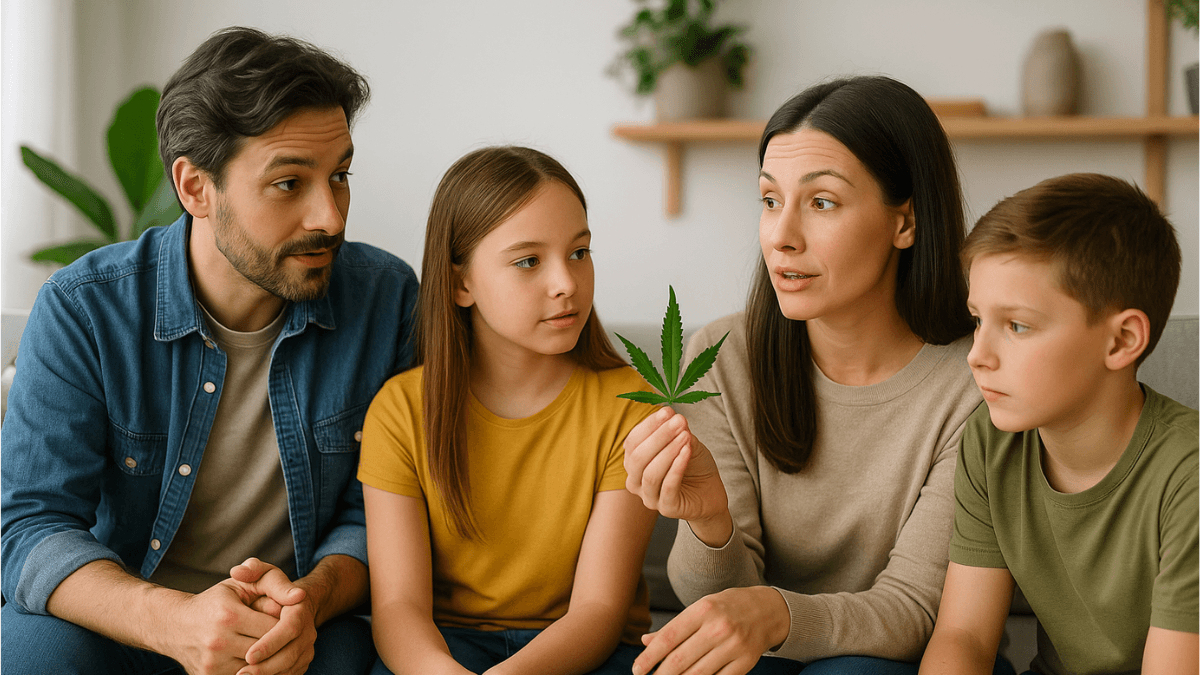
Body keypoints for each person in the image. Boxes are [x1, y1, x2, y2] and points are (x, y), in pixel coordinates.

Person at [1, 27, 418, 675]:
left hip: (288, 626)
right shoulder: (84, 308)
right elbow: (30, 526)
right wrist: (171, 620)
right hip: (124, 618)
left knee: (352, 659)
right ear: (195, 188)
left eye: (340, 176)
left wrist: (311, 598)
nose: (331, 217)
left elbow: (380, 514)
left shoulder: (385, 298)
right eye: (289, 184)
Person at [622, 76, 995, 675]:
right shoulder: (722, 354)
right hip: (768, 655)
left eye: (822, 202)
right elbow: (714, 606)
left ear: (905, 222)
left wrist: (777, 615)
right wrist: (711, 522)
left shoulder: (978, 381)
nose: (781, 237)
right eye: (770, 200)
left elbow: (916, 612)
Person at [358, 146, 659, 675]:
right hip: (446, 649)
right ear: (460, 283)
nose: (566, 282)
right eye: (528, 261)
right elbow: (398, 606)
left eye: (579, 253)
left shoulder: (632, 405)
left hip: (590, 653)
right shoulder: (400, 410)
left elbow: (599, 610)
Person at [919, 173, 1199, 675]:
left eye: (1018, 326)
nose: (977, 356)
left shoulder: (1188, 476)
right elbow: (963, 636)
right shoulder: (990, 440)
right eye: (978, 319)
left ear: (1120, 341)